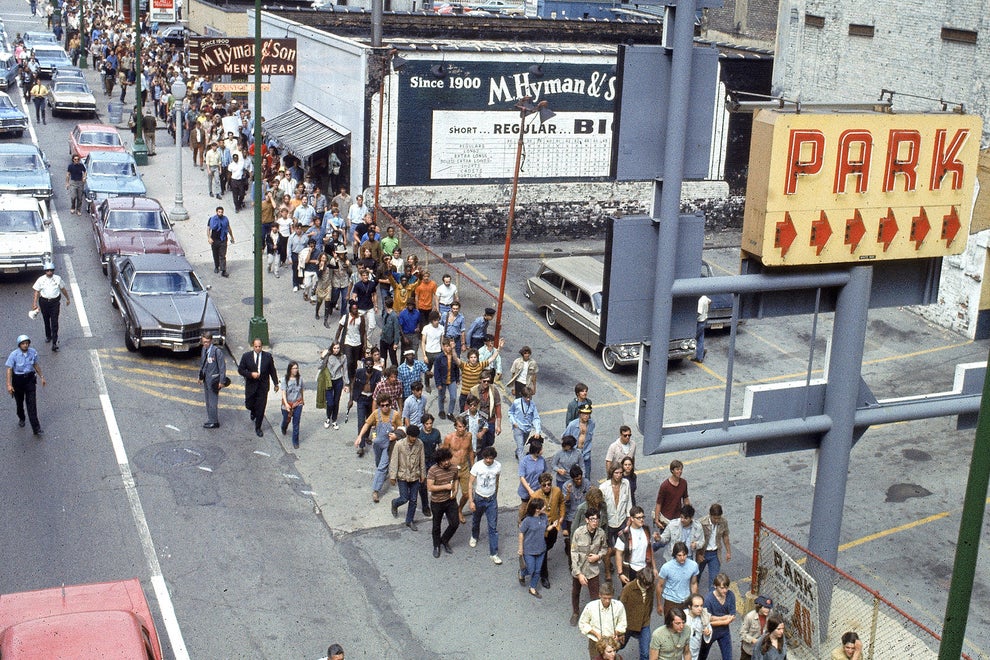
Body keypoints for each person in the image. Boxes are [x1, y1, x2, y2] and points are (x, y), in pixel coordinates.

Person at [355, 394, 401, 502]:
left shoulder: (395, 415)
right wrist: (360, 436)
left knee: (382, 467)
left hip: (388, 445)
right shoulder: (376, 413)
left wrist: (396, 435)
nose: (385, 407)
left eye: (387, 405)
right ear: (379, 405)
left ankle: (376, 490)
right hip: (377, 444)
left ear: (390, 404)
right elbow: (366, 424)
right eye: (382, 405)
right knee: (378, 463)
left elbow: (401, 428)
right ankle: (383, 474)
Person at [570, 508, 607, 626]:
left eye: (597, 519)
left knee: (595, 596)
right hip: (579, 568)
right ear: (586, 520)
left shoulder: (601, 533)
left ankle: (594, 617)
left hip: (593, 570)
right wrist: (579, 574)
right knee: (576, 592)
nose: (595, 522)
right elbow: (573, 552)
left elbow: (604, 548)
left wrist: (598, 556)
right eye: (592, 519)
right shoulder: (578, 533)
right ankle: (575, 612)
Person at [237, 338, 279, 437]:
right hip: (251, 386)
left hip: (263, 387)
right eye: (256, 346)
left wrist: (276, 383)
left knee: (261, 408)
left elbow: (272, 371)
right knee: (249, 404)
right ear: (253, 346)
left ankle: (258, 427)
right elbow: (240, 370)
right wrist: (251, 374)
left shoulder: (268, 357)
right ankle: (253, 411)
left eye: (259, 346)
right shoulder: (246, 356)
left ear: (262, 346)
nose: (258, 348)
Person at [6, 335, 46, 436]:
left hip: (30, 380)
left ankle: (36, 428)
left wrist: (41, 376)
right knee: (19, 403)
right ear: (19, 345)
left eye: (27, 343)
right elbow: (9, 369)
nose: (25, 345)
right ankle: (21, 417)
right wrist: (9, 385)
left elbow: (35, 365)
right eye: (23, 344)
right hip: (18, 381)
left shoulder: (33, 352)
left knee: (32, 405)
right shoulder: (14, 355)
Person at [468, 445, 502, 564]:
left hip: (491, 499)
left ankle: (494, 553)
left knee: (493, 527)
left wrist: (495, 495)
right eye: (486, 458)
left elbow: (497, 481)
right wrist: (471, 501)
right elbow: (470, 484)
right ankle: (474, 536)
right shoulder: (477, 466)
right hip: (479, 498)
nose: (488, 460)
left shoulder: (497, 466)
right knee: (476, 520)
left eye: (491, 458)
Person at [390, 423, 425, 530]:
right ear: (408, 435)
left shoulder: (420, 444)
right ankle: (395, 503)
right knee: (404, 498)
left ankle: (409, 521)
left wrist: (423, 474)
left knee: (413, 500)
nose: (414, 439)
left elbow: (422, 459)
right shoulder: (399, 445)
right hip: (403, 476)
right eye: (412, 436)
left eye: (416, 437)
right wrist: (392, 476)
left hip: (415, 475)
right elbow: (394, 460)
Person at [579, 581, 627, 659]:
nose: (607, 601)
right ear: (599, 595)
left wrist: (616, 633)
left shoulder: (619, 606)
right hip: (595, 642)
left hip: (611, 642)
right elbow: (583, 623)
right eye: (605, 598)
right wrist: (596, 634)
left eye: (609, 598)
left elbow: (622, 622)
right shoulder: (591, 606)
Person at [441, 412, 475, 524]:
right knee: (451, 494)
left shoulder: (469, 436)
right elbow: (443, 453)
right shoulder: (449, 438)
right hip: (452, 468)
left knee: (467, 494)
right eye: (460, 426)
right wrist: (443, 469)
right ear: (455, 426)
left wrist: (473, 466)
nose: (462, 429)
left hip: (464, 467)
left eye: (464, 426)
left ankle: (459, 509)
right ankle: (451, 512)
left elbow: (470, 451)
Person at [427, 446, 460, 558]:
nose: (447, 463)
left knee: (455, 523)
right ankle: (436, 545)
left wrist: (455, 490)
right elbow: (430, 487)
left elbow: (456, 479)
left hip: (450, 501)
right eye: (444, 461)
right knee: (436, 526)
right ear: (439, 461)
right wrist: (445, 486)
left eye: (448, 460)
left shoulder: (454, 468)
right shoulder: (433, 470)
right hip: (437, 502)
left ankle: (444, 540)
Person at [31, 262, 70, 352]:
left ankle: (54, 343)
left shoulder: (57, 279)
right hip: (44, 302)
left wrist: (68, 298)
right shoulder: (41, 280)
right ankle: (48, 336)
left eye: (51, 270)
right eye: (48, 270)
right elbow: (37, 292)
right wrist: (34, 303)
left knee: (54, 322)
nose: (49, 272)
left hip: (54, 303)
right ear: (45, 271)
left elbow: (63, 289)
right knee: (46, 319)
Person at [621, 568, 658, 660]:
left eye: (649, 585)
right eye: (645, 585)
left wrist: (647, 616)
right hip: (628, 624)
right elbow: (620, 608)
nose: (647, 587)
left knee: (645, 653)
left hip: (644, 623)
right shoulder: (628, 589)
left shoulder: (651, 586)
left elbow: (650, 603)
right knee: (619, 646)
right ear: (639, 580)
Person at [699, 573, 736, 660]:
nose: (725, 590)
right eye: (722, 588)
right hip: (710, 631)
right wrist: (724, 620)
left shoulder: (731, 595)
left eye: (726, 587)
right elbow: (707, 621)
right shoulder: (708, 600)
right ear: (715, 586)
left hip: (724, 632)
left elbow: (732, 615)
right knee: (702, 656)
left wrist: (715, 619)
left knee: (728, 657)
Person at [656, 542, 699, 617]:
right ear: (675, 555)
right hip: (671, 601)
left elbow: (694, 583)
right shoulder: (666, 567)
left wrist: (694, 601)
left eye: (684, 555)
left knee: (686, 623)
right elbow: (660, 585)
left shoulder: (693, 565)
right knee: (670, 623)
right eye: (679, 555)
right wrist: (659, 604)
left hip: (686, 600)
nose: (682, 558)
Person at [518, 496, 549, 599]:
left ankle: (532, 587)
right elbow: (521, 533)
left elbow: (545, 528)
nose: (545, 507)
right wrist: (520, 548)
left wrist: (553, 526)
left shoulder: (544, 517)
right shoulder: (527, 520)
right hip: (529, 550)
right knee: (531, 569)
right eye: (543, 506)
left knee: (537, 570)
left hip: (541, 548)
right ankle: (522, 572)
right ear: (537, 509)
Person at [615, 505, 654, 585]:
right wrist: (620, 573)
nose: (642, 520)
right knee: (630, 591)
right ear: (632, 518)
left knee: (645, 590)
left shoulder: (646, 530)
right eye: (638, 518)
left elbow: (650, 549)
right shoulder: (624, 534)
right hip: (630, 570)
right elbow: (618, 554)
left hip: (645, 568)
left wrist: (654, 568)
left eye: (643, 517)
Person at [698, 504, 732, 593]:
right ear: (710, 515)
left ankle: (711, 600)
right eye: (715, 518)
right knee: (696, 576)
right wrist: (698, 554)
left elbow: (725, 536)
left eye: (718, 518)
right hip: (702, 553)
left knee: (714, 582)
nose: (717, 521)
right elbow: (695, 539)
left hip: (715, 554)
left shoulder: (723, 522)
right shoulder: (701, 523)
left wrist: (728, 552)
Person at [317, 342, 349, 431]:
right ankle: (328, 418)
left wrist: (346, 384)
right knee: (330, 402)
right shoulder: (328, 356)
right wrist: (322, 357)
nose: (336, 350)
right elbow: (320, 366)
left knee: (336, 401)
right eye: (334, 348)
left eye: (338, 348)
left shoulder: (343, 357)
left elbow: (345, 370)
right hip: (329, 381)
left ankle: (334, 419)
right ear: (332, 348)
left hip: (338, 380)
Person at [198, 332, 227, 428]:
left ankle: (214, 422)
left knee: (213, 401)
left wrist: (222, 381)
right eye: (204, 342)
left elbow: (222, 367)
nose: (205, 344)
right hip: (206, 379)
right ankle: (210, 419)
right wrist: (200, 377)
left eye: (207, 342)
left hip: (214, 381)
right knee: (208, 400)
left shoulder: (217, 352)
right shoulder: (204, 349)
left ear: (211, 341)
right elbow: (203, 364)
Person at [653, 460, 691, 531]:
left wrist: (689, 513)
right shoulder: (665, 486)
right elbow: (659, 503)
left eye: (681, 469)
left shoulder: (683, 483)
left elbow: (685, 498)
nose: (680, 471)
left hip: (678, 518)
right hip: (666, 519)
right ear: (672, 470)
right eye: (677, 469)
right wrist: (657, 520)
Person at [508, 386, 542, 461]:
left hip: (527, 428)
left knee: (522, 444)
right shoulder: (516, 402)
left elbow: (536, 418)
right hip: (518, 428)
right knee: (521, 448)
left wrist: (537, 431)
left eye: (530, 397)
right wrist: (514, 422)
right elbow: (511, 412)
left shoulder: (532, 404)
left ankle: (517, 452)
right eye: (526, 397)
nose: (528, 399)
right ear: (522, 396)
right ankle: (522, 464)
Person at [564, 402, 596, 481]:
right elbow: (564, 438)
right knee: (572, 477)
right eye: (584, 414)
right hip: (574, 454)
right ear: (580, 414)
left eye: (588, 414)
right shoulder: (572, 425)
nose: (586, 416)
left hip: (586, 454)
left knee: (586, 477)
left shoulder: (592, 424)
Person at [517, 438, 546, 518]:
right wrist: (529, 490)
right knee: (524, 507)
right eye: (541, 449)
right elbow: (522, 477)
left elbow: (544, 473)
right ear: (536, 451)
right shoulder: (525, 461)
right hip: (527, 490)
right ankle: (521, 521)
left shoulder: (542, 460)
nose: (542, 451)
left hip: (538, 489)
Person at [432, 338, 460, 420]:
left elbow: (456, 368)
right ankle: (441, 411)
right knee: (441, 396)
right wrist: (438, 383)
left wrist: (457, 379)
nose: (448, 348)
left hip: (452, 379)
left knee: (453, 397)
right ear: (443, 347)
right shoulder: (439, 357)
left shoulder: (453, 356)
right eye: (447, 346)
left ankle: (450, 412)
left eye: (449, 346)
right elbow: (436, 371)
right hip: (442, 380)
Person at [280, 361, 305, 449]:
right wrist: (286, 404)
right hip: (287, 404)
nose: (296, 370)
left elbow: (301, 390)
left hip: (297, 403)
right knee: (286, 420)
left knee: (296, 422)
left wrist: (302, 400)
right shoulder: (284, 380)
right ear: (290, 369)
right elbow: (283, 393)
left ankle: (295, 441)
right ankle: (284, 427)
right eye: (294, 368)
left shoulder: (300, 379)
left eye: (296, 368)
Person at [740, 596, 773, 660]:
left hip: (762, 650)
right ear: (759, 606)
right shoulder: (749, 617)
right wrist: (753, 640)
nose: (768, 610)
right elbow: (742, 633)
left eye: (769, 608)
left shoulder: (770, 614)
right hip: (749, 650)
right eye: (765, 607)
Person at [206, 206, 235, 277]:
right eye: (219, 212)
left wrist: (232, 237)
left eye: (221, 212)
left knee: (222, 255)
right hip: (214, 239)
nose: (220, 213)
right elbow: (208, 229)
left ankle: (223, 270)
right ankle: (216, 266)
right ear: (216, 212)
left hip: (223, 239)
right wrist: (209, 238)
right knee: (215, 254)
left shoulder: (225, 219)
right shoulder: (212, 219)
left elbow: (228, 228)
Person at [685, 594, 713, 660]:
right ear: (689, 606)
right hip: (682, 652)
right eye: (696, 606)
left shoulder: (704, 617)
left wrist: (707, 633)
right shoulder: (683, 616)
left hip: (695, 651)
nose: (700, 609)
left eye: (701, 606)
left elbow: (708, 631)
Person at [693, 295, 710, 363]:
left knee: (694, 337)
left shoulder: (700, 300)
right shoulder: (704, 297)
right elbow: (710, 301)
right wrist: (706, 311)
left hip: (700, 321)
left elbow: (698, 313)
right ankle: (700, 356)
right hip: (705, 319)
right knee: (701, 338)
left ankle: (700, 354)